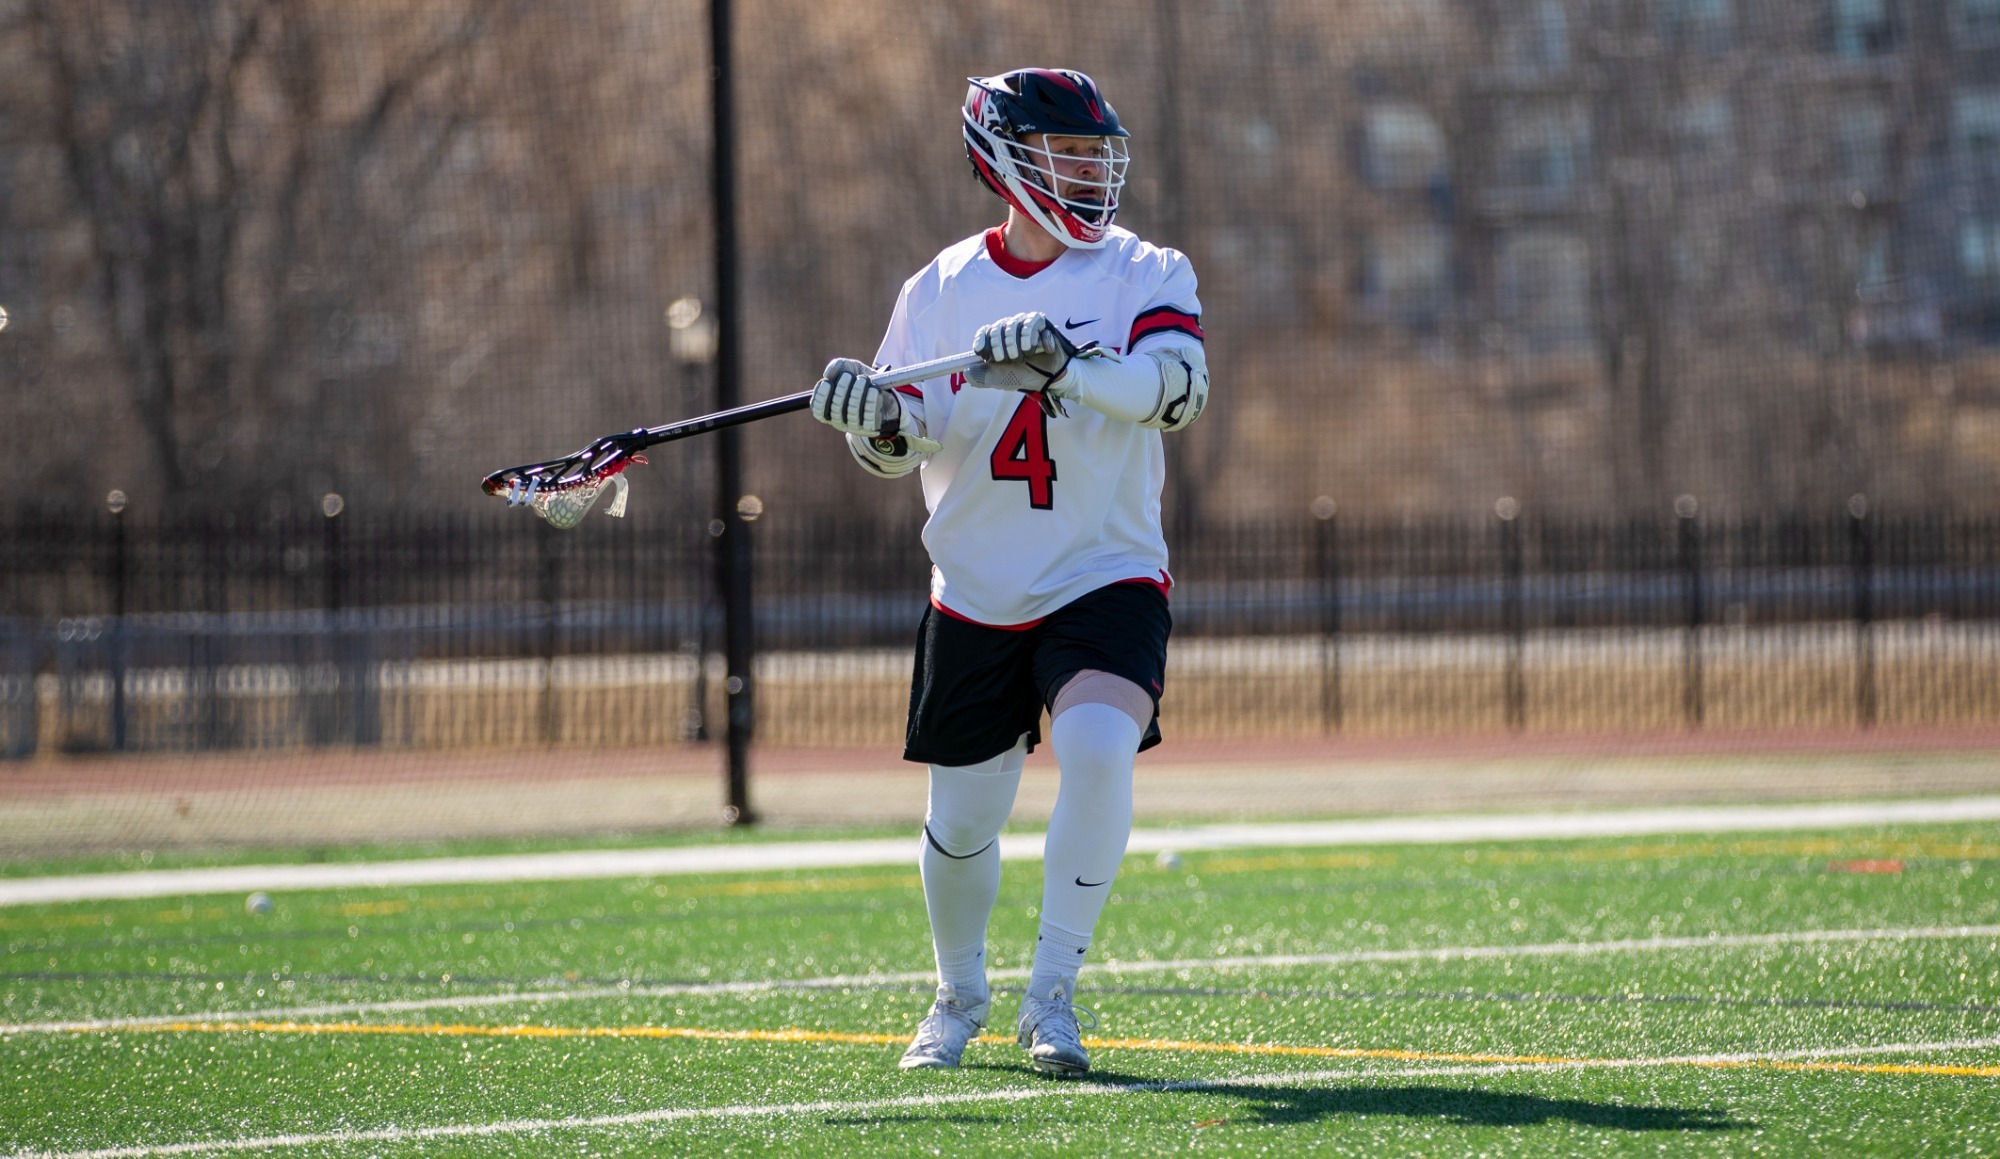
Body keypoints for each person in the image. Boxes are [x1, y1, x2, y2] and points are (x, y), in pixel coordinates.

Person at [807, 67, 1208, 1076]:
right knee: (961, 821)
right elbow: (909, 438)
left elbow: (1174, 391)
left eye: (1094, 159)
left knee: (1098, 748)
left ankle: (1051, 996)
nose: (1086, 177)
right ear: (1005, 159)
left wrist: (1063, 367)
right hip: (977, 587)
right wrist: (872, 423)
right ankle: (958, 993)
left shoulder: (1144, 270)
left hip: (1101, 570)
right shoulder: (940, 289)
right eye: (1066, 157)